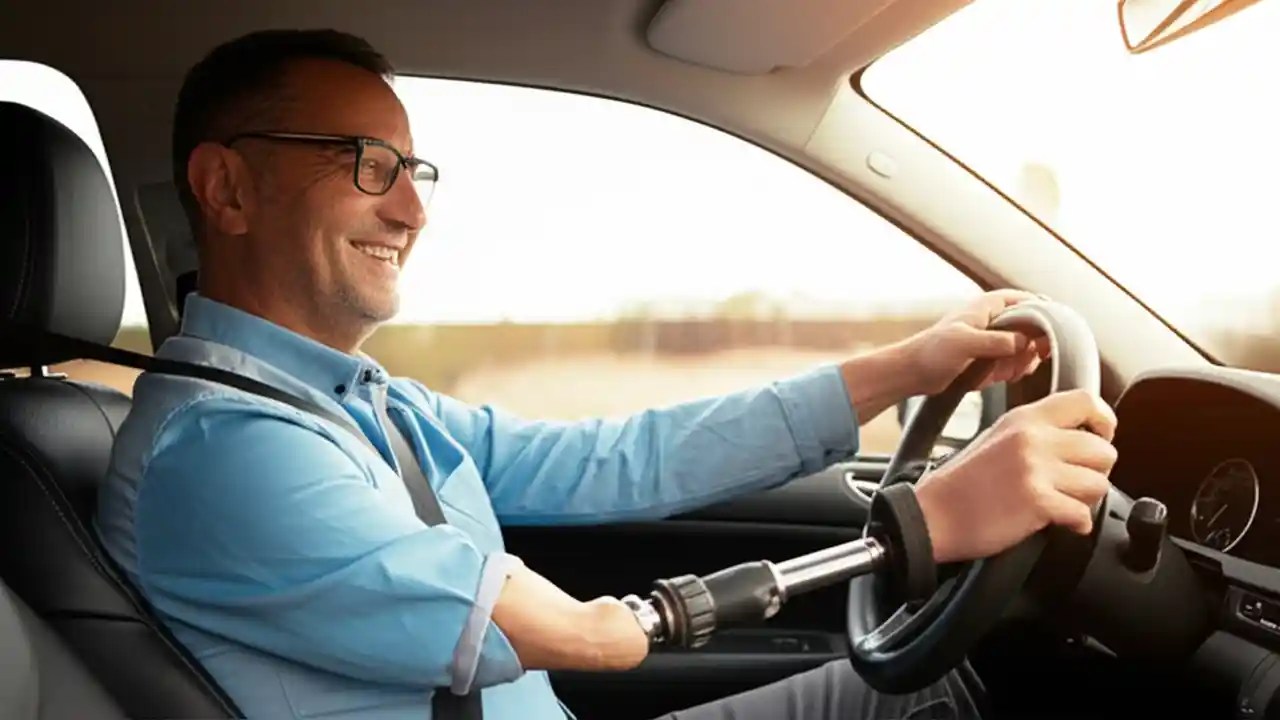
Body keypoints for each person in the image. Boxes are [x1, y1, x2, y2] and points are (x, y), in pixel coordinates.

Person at [94, 28, 1117, 720]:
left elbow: (607, 460)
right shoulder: (220, 451)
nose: (412, 210)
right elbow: (584, 634)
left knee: (945, 683)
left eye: (415, 171)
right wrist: (921, 528)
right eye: (367, 164)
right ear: (226, 188)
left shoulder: (356, 404)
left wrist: (898, 370)